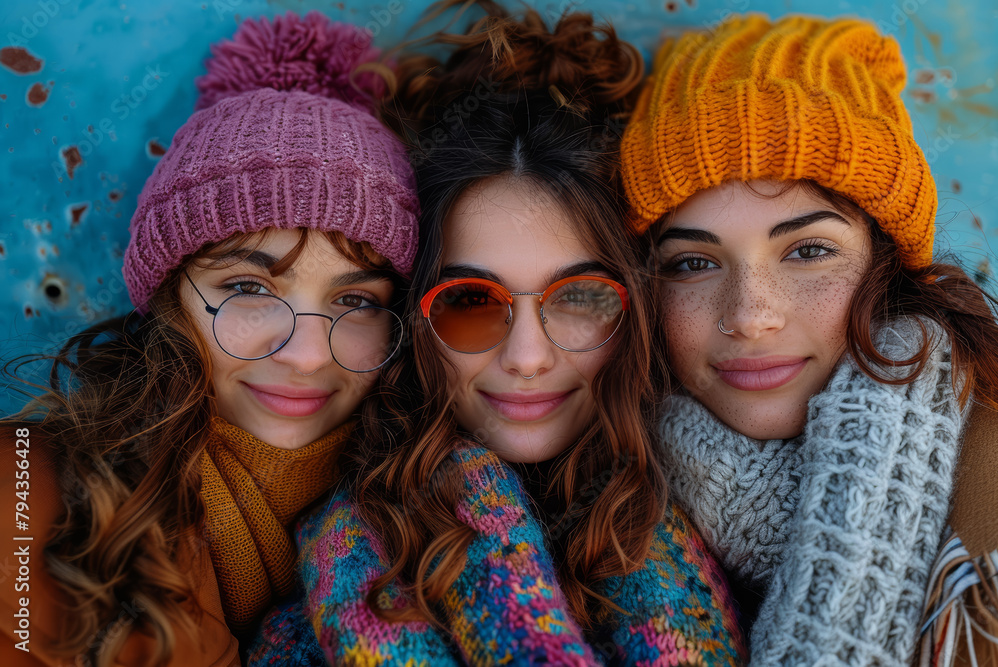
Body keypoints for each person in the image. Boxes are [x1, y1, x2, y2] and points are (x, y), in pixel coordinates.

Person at [250, 2, 746, 665]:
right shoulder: (329, 598)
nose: (528, 357)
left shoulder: (712, 528)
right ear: (411, 320)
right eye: (469, 301)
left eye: (579, 297)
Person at [0, 11, 418, 666]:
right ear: (170, 295)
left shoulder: (445, 524)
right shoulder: (27, 497)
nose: (305, 354)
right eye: (249, 289)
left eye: (355, 300)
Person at [620, 14, 998, 666]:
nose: (751, 314)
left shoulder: (988, 485)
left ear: (885, 262)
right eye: (691, 262)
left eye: (809, 250)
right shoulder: (616, 507)